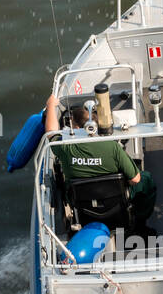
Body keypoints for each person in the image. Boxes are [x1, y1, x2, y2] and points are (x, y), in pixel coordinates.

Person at [43, 93, 156, 227]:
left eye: (71, 124)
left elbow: (51, 133)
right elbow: (135, 179)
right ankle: (140, 219)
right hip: (114, 199)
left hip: (80, 201)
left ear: (78, 129)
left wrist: (50, 105)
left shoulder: (65, 148)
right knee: (146, 179)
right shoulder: (112, 147)